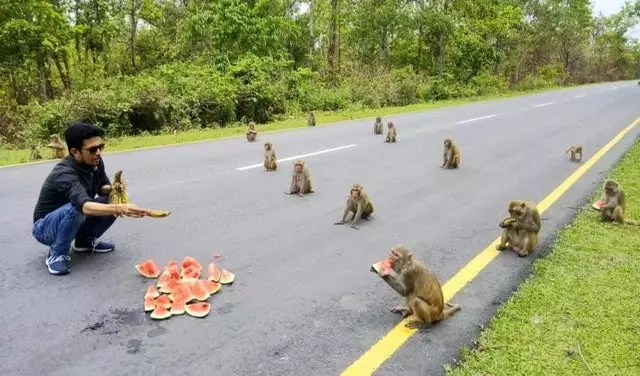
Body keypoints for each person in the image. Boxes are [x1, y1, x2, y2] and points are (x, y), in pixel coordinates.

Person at [32, 122, 151, 276]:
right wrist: (120, 208)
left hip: (74, 215)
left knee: (112, 198)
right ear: (75, 152)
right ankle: (56, 253)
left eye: (100, 147)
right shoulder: (64, 173)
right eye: (93, 149)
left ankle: (84, 241)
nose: (98, 152)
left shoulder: (95, 161)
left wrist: (115, 188)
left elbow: (103, 188)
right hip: (45, 227)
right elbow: (85, 206)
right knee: (77, 208)